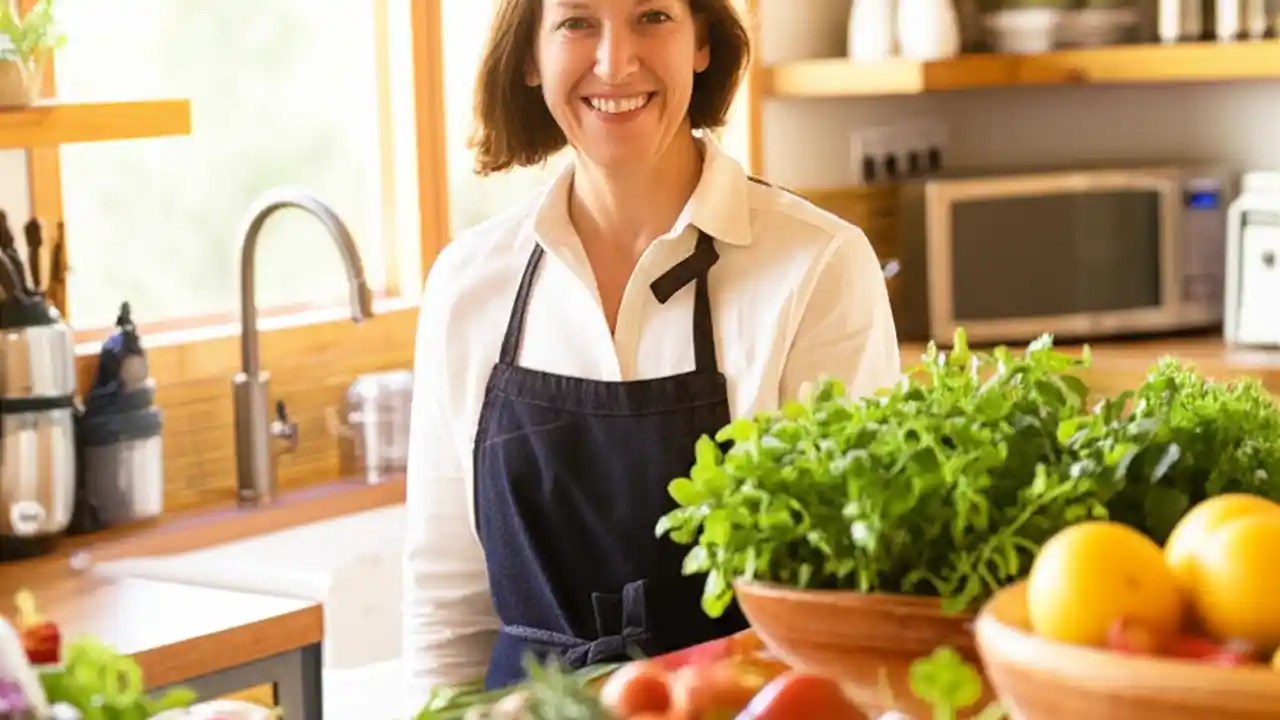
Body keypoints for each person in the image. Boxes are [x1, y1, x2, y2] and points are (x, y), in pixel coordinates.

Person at [401, 0, 901, 711]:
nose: (614, 61)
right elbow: (446, 603)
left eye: (653, 16)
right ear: (528, 58)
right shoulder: (469, 284)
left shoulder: (816, 267)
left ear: (702, 42)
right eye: (577, 23)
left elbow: (847, 609)